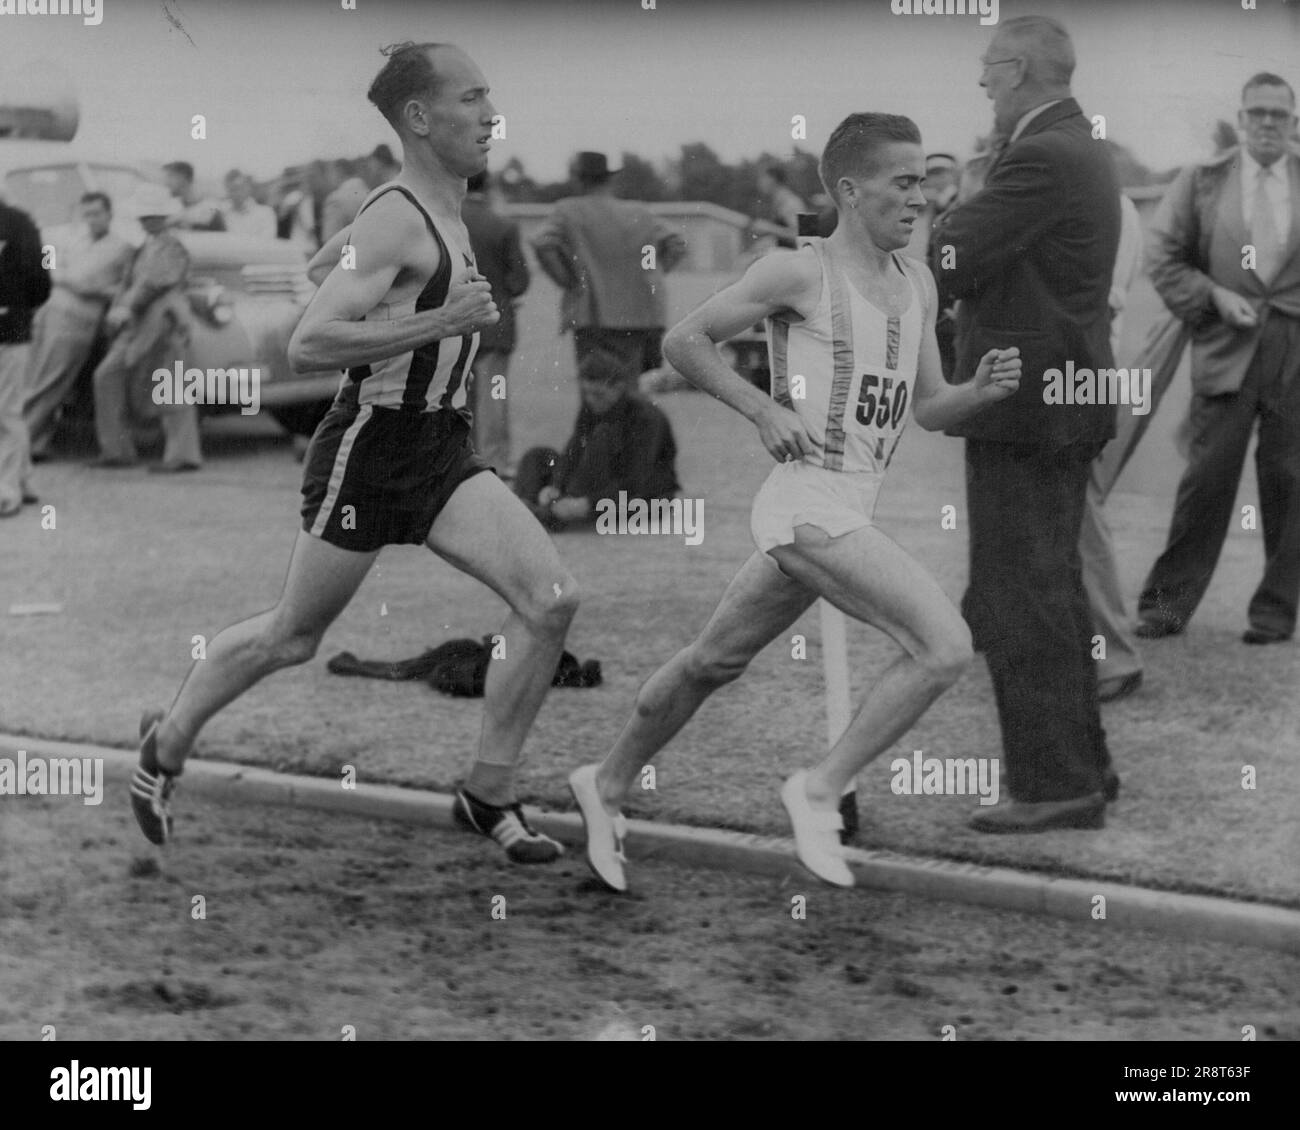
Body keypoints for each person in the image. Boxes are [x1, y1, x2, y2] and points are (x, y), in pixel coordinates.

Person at [128, 41, 579, 868]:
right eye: (472, 99)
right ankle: (166, 744)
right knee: (294, 635)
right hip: (370, 449)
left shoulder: (424, 206)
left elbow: (326, 270)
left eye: (491, 99)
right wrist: (437, 322)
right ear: (418, 117)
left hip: (441, 447)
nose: (490, 116)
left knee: (549, 600)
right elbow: (310, 343)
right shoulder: (398, 213)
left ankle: (487, 792)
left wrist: (348, 256)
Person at [567, 112, 1022, 891]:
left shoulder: (917, 281)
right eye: (903, 182)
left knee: (714, 660)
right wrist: (763, 409)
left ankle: (605, 783)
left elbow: (929, 405)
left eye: (925, 182)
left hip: (847, 509)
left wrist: (976, 393)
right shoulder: (797, 272)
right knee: (943, 645)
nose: (921, 199)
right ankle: (818, 789)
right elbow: (683, 343)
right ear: (849, 190)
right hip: (804, 505)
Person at [936, 15, 1121, 834]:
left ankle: (1053, 787)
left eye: (986, 69)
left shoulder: (1042, 155)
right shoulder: (1077, 146)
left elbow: (954, 255)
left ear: (1015, 70)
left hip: (1028, 408)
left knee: (1021, 596)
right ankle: (1082, 771)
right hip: (1057, 402)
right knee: (1053, 591)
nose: (980, 83)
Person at [1136, 72, 1300, 646]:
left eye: (1278, 114)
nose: (1267, 124)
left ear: (1294, 121)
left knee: (1290, 478)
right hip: (1225, 348)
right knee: (1206, 479)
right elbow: (1162, 256)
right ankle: (1167, 606)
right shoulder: (1203, 180)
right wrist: (1213, 296)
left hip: (1295, 354)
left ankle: (1275, 614)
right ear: (1241, 116)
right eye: (1256, 112)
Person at [532, 151, 686, 393]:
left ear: (579, 179)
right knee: (634, 394)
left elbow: (542, 242)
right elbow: (677, 242)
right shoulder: (640, 212)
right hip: (641, 316)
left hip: (594, 315)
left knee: (597, 394)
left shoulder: (569, 210)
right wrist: (653, 273)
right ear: (609, 179)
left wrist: (568, 280)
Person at [1079, 191, 1146, 702]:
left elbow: (1103, 301)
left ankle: (1115, 655)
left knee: (1082, 513)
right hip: (1086, 373)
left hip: (1087, 375)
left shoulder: (1110, 204)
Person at [91, 184, 200, 473]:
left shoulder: (170, 246)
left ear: (164, 217)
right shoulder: (145, 248)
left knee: (172, 384)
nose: (148, 220)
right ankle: (116, 449)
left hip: (165, 320)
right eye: (145, 216)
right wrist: (120, 306)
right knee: (107, 376)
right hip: (140, 323)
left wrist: (125, 306)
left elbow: (154, 283)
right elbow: (137, 284)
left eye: (154, 215)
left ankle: (182, 455)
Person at [22, 192, 132, 468]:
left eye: (97, 213)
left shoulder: (121, 247)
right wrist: (69, 279)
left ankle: (20, 440)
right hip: (51, 312)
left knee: (52, 381)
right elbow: (57, 272)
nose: (92, 219)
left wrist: (71, 280)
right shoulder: (77, 241)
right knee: (35, 376)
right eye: (87, 214)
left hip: (78, 320)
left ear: (110, 214)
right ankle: (34, 442)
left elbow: (89, 282)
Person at [514, 349, 679, 529]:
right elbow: (574, 450)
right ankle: (525, 505)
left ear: (618, 387)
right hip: (590, 485)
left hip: (638, 495)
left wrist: (587, 503)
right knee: (538, 456)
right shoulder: (592, 406)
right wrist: (556, 485)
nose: (591, 400)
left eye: (598, 394)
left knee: (602, 436)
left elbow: (636, 479)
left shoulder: (645, 417)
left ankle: (552, 512)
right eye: (586, 393)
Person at [462, 168, 529, 475]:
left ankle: (463, 458)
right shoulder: (503, 224)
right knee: (494, 397)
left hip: (454, 323)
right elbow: (519, 281)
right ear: (488, 184)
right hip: (495, 325)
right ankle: (495, 462)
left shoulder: (445, 219)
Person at [0, 196, 51, 518]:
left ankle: (7, 491)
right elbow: (42, 282)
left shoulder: (20, 224)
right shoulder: (23, 221)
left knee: (6, 411)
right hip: (12, 326)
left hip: (8, 328)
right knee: (8, 409)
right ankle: (24, 479)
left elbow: (41, 278)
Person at [162, 161, 226, 232]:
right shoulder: (175, 207)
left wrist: (177, 219)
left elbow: (209, 213)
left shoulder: (210, 206)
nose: (166, 183)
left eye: (170, 176)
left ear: (182, 178)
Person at [319, 158, 370, 244]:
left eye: (330, 172)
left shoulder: (335, 200)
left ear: (339, 170)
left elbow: (330, 242)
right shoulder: (369, 192)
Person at [221, 170, 277, 240]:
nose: (236, 193)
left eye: (238, 188)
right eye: (231, 189)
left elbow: (266, 243)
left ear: (248, 187)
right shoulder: (223, 213)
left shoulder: (266, 213)